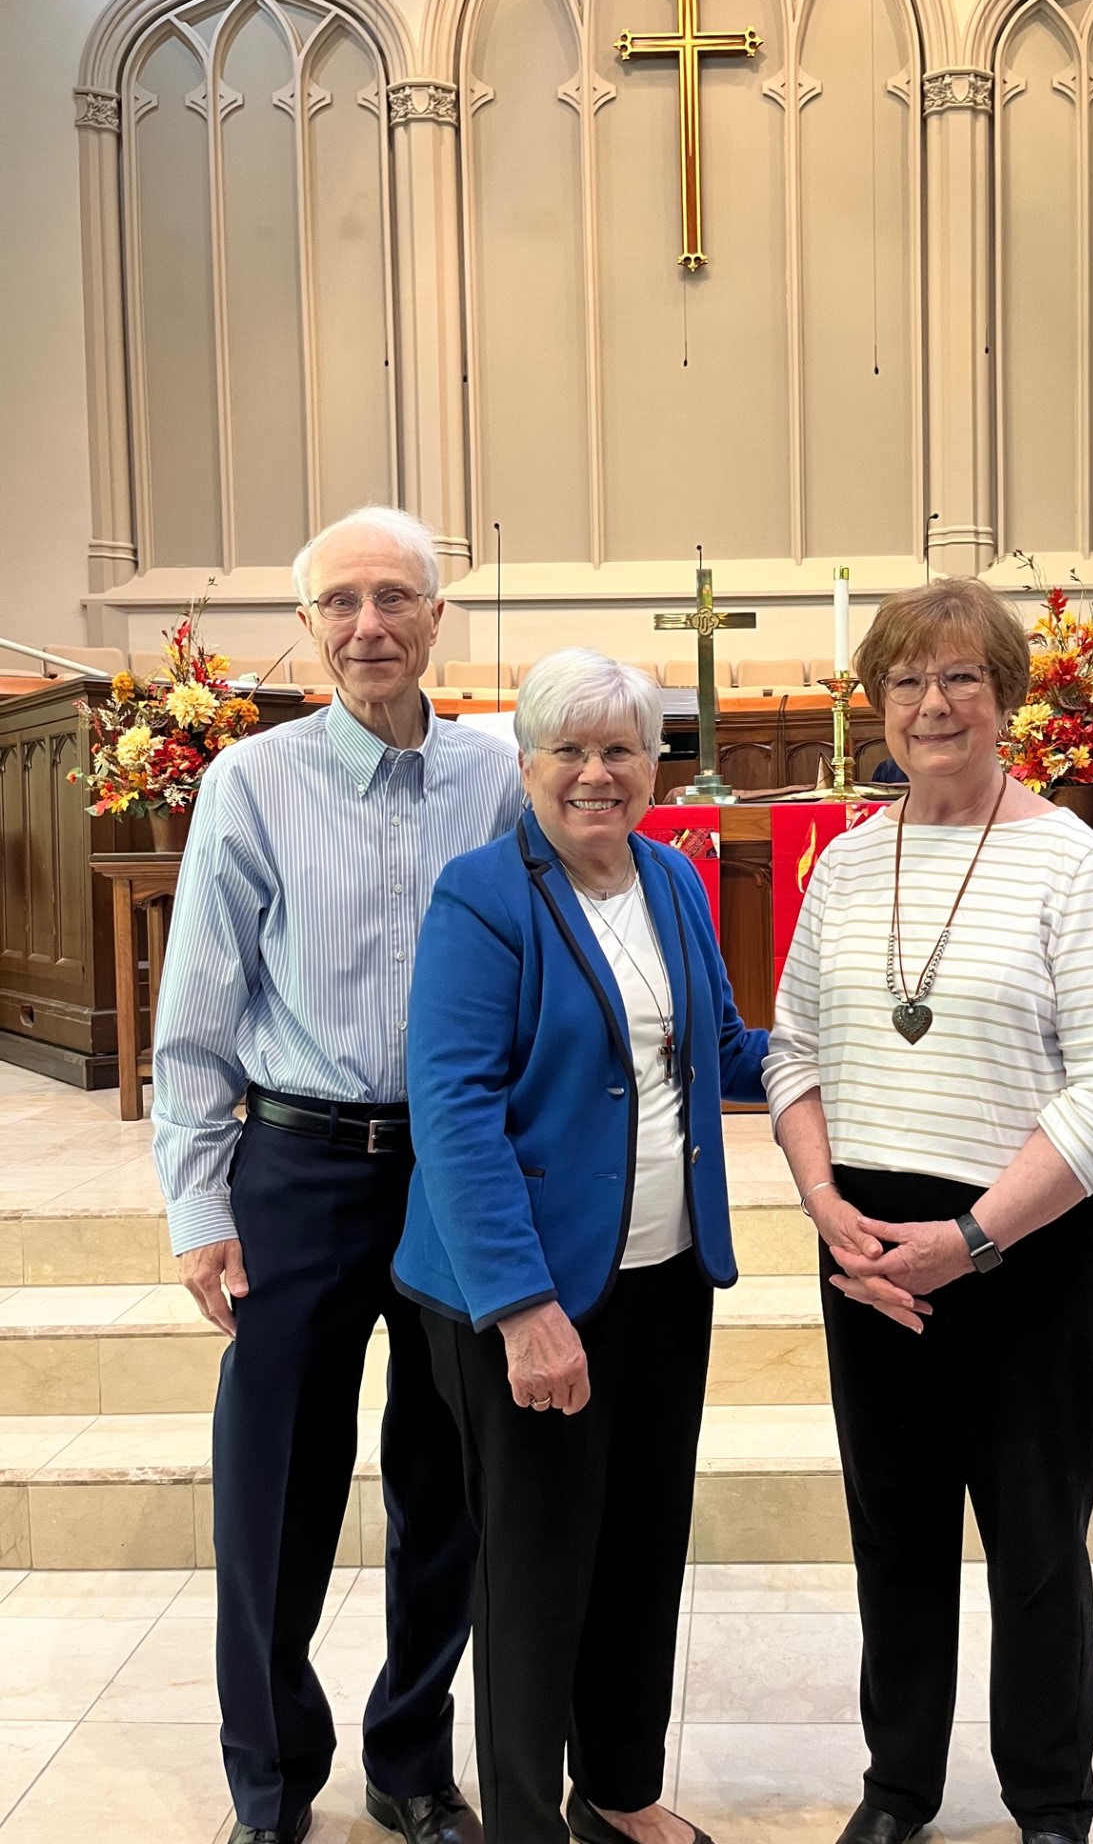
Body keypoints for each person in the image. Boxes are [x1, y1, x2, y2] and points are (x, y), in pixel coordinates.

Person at [763, 578, 1093, 1844]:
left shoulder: (1067, 860)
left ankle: (1050, 1799)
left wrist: (975, 1237)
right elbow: (791, 1052)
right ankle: (899, 1787)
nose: (931, 703)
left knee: (1035, 1539)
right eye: (906, 681)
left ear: (1006, 696)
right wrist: (827, 1206)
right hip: (870, 1247)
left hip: (1026, 1246)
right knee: (896, 1531)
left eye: (960, 677)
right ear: (877, 704)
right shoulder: (843, 865)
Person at [153, 505, 523, 1844]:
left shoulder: (499, 779)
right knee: (275, 1488)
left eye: (395, 598)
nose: (371, 626)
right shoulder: (252, 784)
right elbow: (196, 1017)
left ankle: (412, 1760)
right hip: (297, 1167)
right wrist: (201, 1207)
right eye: (343, 603)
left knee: (448, 1483)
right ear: (307, 626)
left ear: (436, 618)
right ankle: (270, 1777)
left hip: (451, 1170)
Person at [395, 648, 769, 1844]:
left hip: (664, 1275)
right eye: (569, 749)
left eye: (620, 749)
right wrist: (522, 1307)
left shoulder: (672, 880)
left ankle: (616, 1791)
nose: (596, 774)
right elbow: (453, 1111)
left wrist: (851, 1059)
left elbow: (721, 1046)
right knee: (535, 1571)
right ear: (526, 766)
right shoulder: (483, 897)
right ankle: (524, 1823)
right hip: (528, 1290)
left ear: (656, 766)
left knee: (642, 1548)